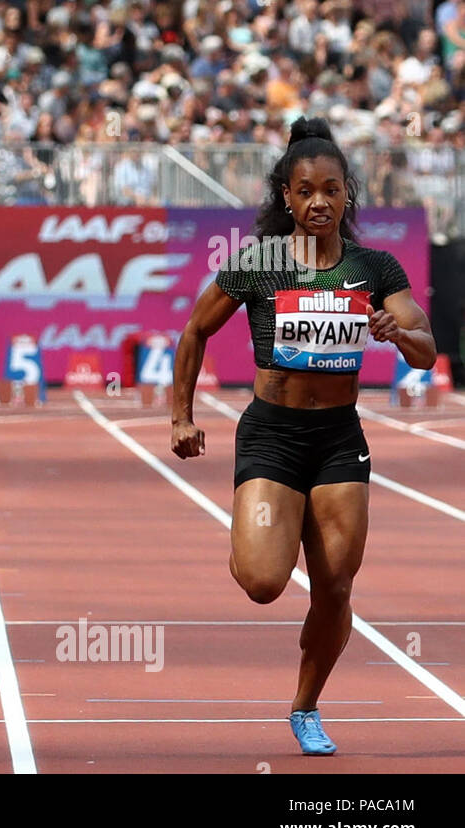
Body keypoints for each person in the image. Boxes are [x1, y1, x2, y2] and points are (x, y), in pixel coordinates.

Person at [171, 117, 436, 755]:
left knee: (336, 584)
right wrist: (180, 415)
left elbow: (426, 350)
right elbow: (194, 330)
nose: (319, 201)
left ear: (348, 195)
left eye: (332, 189)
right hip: (273, 435)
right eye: (306, 190)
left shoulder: (375, 267)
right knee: (263, 582)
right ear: (286, 197)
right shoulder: (258, 263)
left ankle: (306, 706)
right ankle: (251, 537)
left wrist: (395, 334)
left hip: (339, 439)